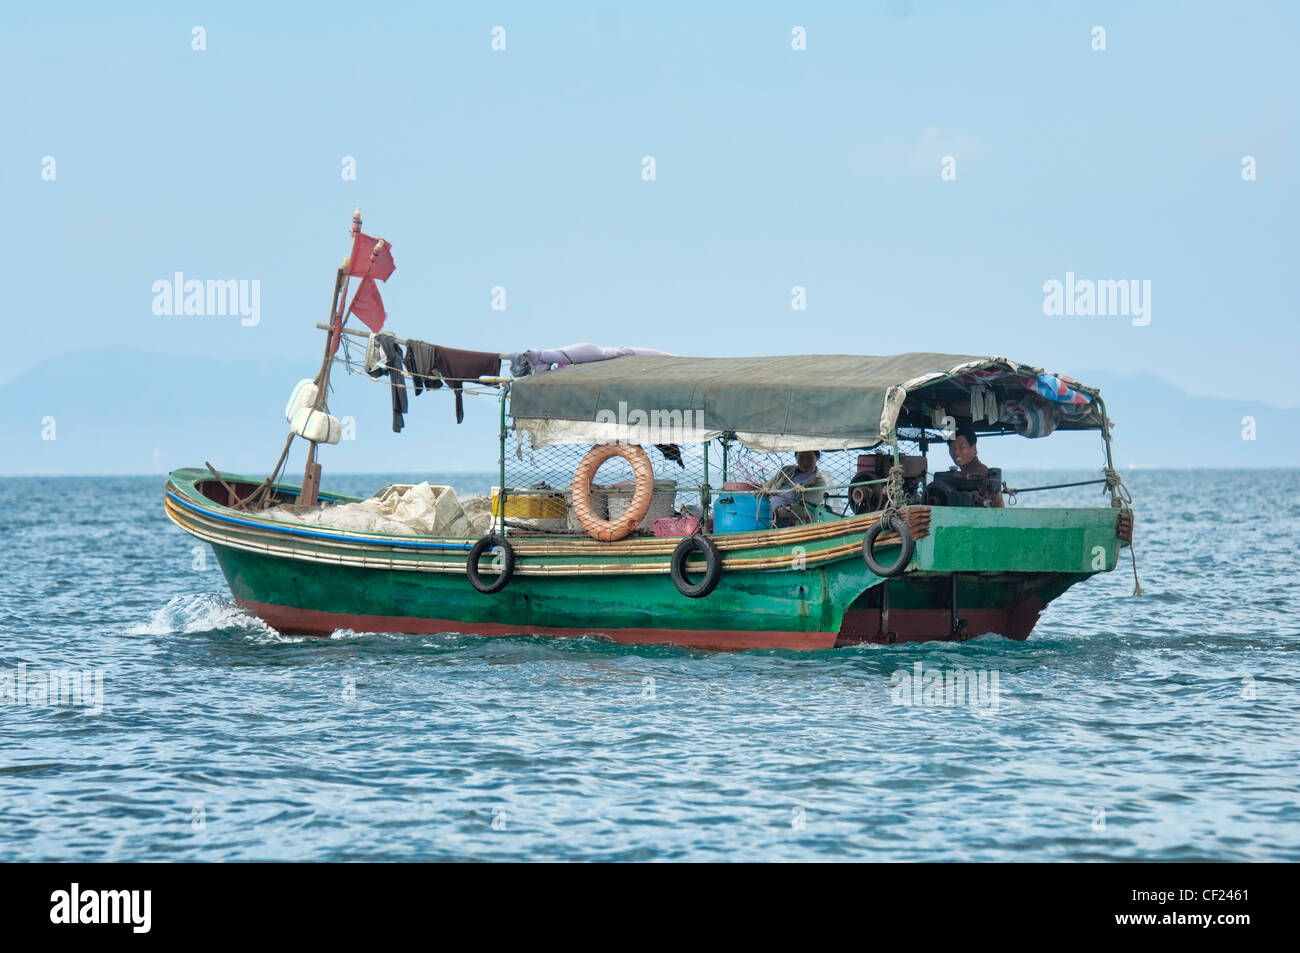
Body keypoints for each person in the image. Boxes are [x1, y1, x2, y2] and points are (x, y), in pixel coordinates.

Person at [762, 450, 829, 526]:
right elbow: (767, 488)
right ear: (796, 458)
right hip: (766, 507)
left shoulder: (819, 483)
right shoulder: (786, 470)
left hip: (788, 519)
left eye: (809, 457)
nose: (805, 461)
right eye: (801, 457)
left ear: (817, 458)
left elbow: (804, 510)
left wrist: (775, 512)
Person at [947, 426, 1004, 507]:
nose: (956, 452)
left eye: (962, 447)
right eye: (952, 448)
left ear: (974, 449)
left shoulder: (981, 472)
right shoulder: (964, 472)